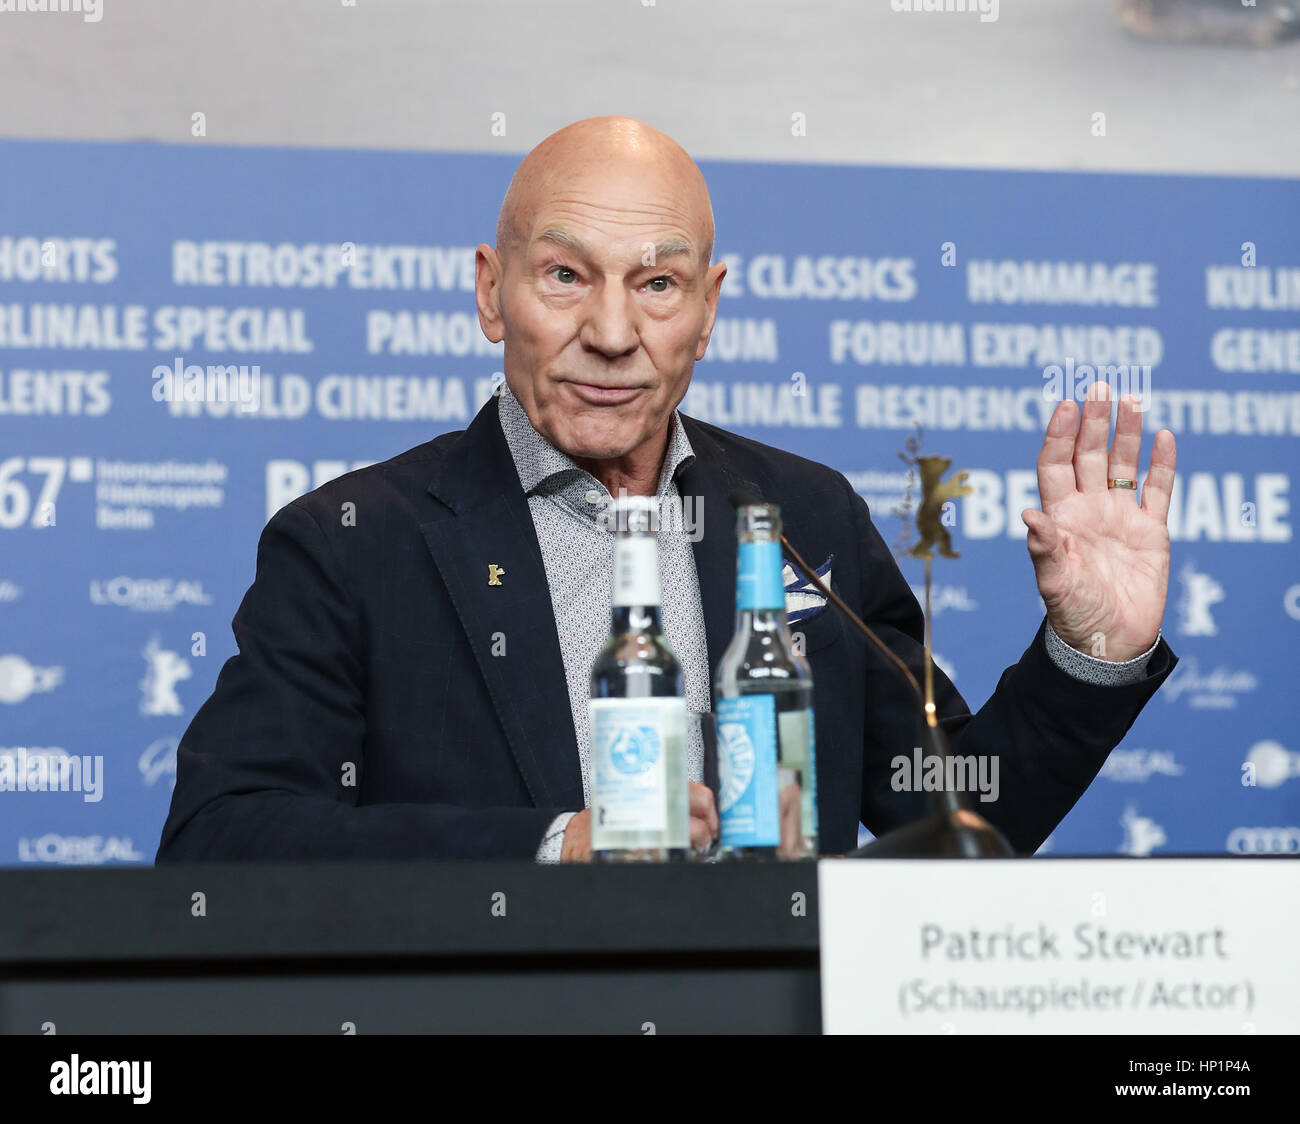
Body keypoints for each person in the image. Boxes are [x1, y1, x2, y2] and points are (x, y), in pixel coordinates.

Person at [156, 116, 1179, 864]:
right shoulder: (351, 539)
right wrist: (556, 847)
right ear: (488, 291)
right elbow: (224, 835)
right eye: (565, 276)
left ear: (708, 308)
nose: (610, 331)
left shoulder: (801, 518)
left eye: (655, 283)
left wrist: (1093, 649)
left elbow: (953, 818)